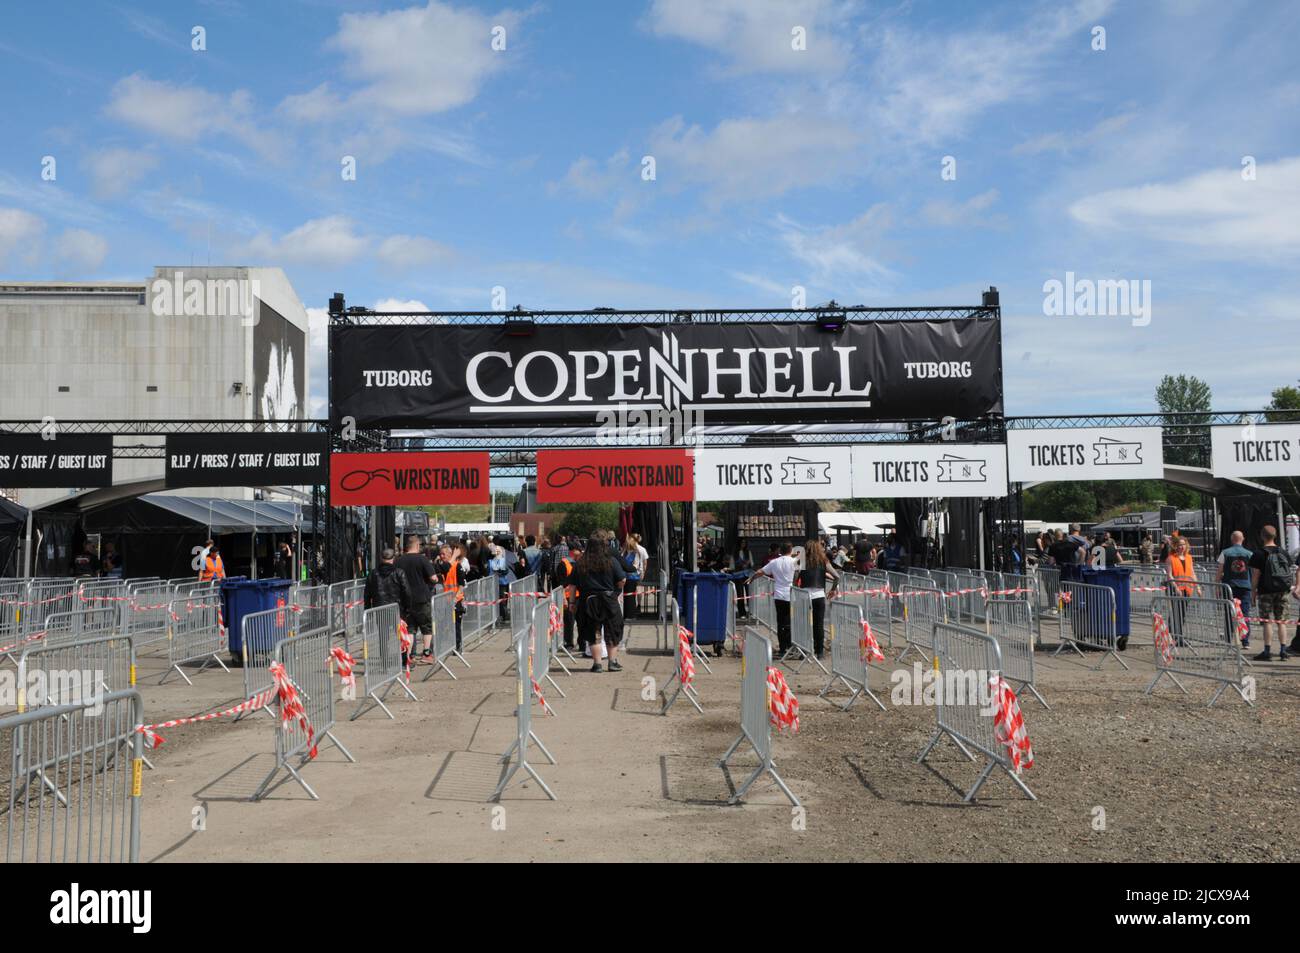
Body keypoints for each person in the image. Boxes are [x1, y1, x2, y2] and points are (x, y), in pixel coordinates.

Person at [574, 535, 626, 672]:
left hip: (589, 601)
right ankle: (612, 662)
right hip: (609, 600)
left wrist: (572, 603)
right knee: (612, 631)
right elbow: (622, 580)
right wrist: (616, 592)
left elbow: (573, 585)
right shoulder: (611, 561)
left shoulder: (581, 562)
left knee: (593, 633)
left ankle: (597, 664)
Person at [1250, 525, 1296, 661]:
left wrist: (1253, 592)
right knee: (1282, 621)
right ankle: (1283, 650)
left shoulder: (1259, 553)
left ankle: (1267, 651)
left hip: (1265, 591)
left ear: (1262, 536)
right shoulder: (1283, 552)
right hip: (1282, 591)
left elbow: (1255, 576)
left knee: (1267, 621)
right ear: (1275, 536)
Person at [364, 547, 412, 666]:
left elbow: (367, 593)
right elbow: (407, 591)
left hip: (380, 608)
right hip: (397, 609)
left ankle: (384, 662)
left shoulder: (373, 573)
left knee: (383, 637)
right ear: (393, 558)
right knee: (401, 635)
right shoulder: (399, 572)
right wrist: (407, 608)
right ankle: (404, 661)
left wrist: (368, 608)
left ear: (381, 558)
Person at [396, 536, 438, 663]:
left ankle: (409, 656)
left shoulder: (398, 561)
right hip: (421, 598)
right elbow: (434, 578)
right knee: (426, 627)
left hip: (405, 600)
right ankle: (426, 654)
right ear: (417, 546)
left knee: (410, 629)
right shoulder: (422, 559)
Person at [753, 541, 798, 655]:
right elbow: (799, 575)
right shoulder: (794, 561)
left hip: (778, 595)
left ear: (781, 551)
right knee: (790, 621)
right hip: (790, 594)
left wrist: (752, 578)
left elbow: (760, 571)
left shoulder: (774, 562)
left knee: (780, 622)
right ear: (791, 550)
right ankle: (789, 645)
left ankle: (782, 648)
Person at [799, 540, 839, 658]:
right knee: (818, 624)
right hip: (819, 595)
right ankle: (819, 651)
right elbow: (836, 576)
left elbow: (795, 577)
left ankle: (804, 650)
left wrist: (795, 588)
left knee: (804, 624)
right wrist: (832, 589)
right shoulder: (824, 560)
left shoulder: (801, 561)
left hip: (804, 595)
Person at [1216, 530, 1254, 649]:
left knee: (1228, 613)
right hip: (1245, 587)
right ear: (1243, 539)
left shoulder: (1225, 553)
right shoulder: (1249, 554)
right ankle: (1245, 641)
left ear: (1232, 539)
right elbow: (1252, 572)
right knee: (1245, 613)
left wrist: (1217, 586)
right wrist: (1254, 590)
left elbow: (1219, 572)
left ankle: (1228, 640)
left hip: (1229, 587)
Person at [436, 541, 470, 651]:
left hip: (456, 602)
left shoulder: (457, 566)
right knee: (442, 625)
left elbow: (461, 585)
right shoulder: (443, 566)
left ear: (450, 554)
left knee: (456, 626)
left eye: (443, 554)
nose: (441, 556)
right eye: (440, 554)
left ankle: (457, 647)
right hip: (445, 601)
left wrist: (455, 599)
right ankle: (441, 647)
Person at [621, 533, 647, 620]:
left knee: (630, 597)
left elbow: (635, 566)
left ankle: (631, 615)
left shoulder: (636, 553)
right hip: (627, 577)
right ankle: (627, 614)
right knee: (627, 596)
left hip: (632, 577)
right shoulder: (625, 552)